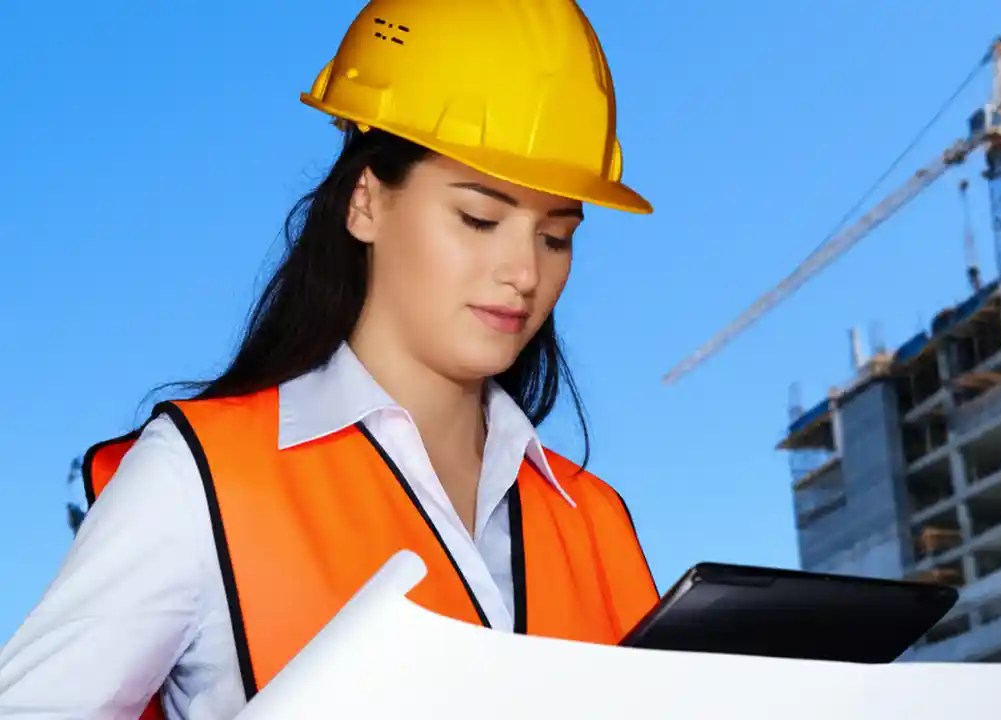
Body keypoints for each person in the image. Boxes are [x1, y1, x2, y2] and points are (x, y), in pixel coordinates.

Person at [0, 1, 659, 717]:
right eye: (480, 219)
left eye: (556, 237)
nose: (525, 272)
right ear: (365, 202)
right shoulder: (199, 479)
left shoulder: (595, 524)